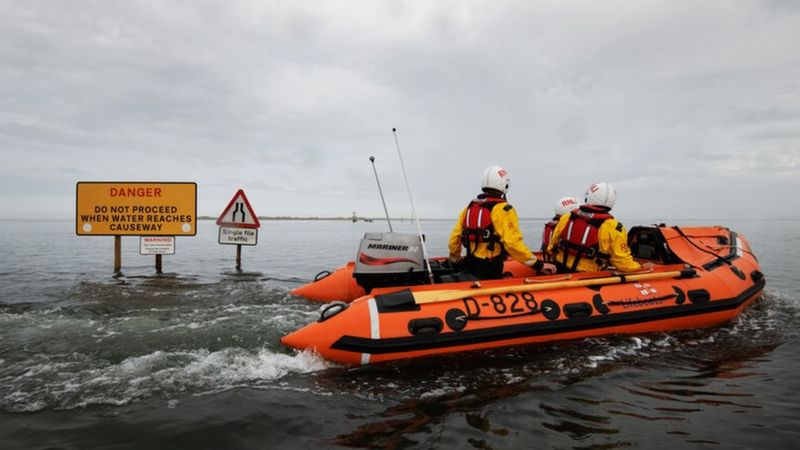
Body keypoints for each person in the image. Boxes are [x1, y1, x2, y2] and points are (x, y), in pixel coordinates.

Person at [449, 165, 556, 280]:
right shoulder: (504, 210)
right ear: (504, 185)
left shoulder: (469, 209)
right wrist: (538, 265)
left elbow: (454, 239)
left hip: (469, 263)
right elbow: (513, 244)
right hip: (490, 268)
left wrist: (455, 259)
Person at [546, 182, 654, 273]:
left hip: (561, 270)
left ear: (588, 197)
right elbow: (623, 263)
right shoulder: (614, 228)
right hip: (588, 277)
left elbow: (551, 247)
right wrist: (640, 266)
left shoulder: (567, 217)